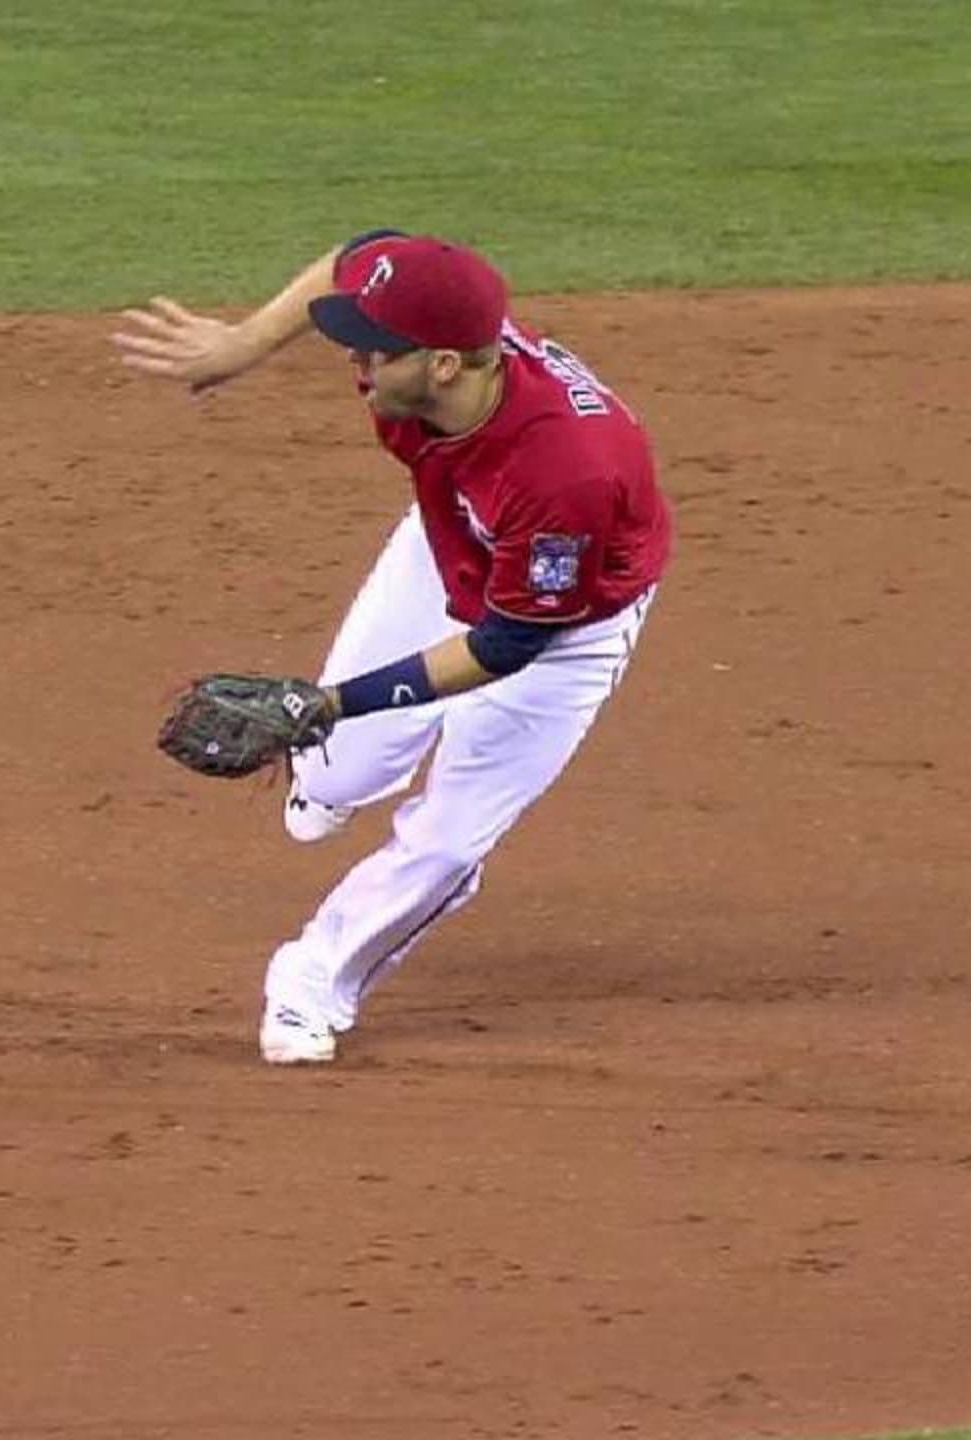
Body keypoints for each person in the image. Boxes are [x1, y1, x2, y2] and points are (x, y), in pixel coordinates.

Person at [112, 230, 672, 1065]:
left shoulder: (566, 473)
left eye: (374, 349)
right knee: (335, 770)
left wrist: (334, 701)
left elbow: (506, 644)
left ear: (442, 365)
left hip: (563, 623)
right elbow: (354, 253)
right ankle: (333, 778)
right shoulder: (452, 351)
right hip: (459, 538)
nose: (355, 361)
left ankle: (313, 981)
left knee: (448, 837)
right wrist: (241, 346)